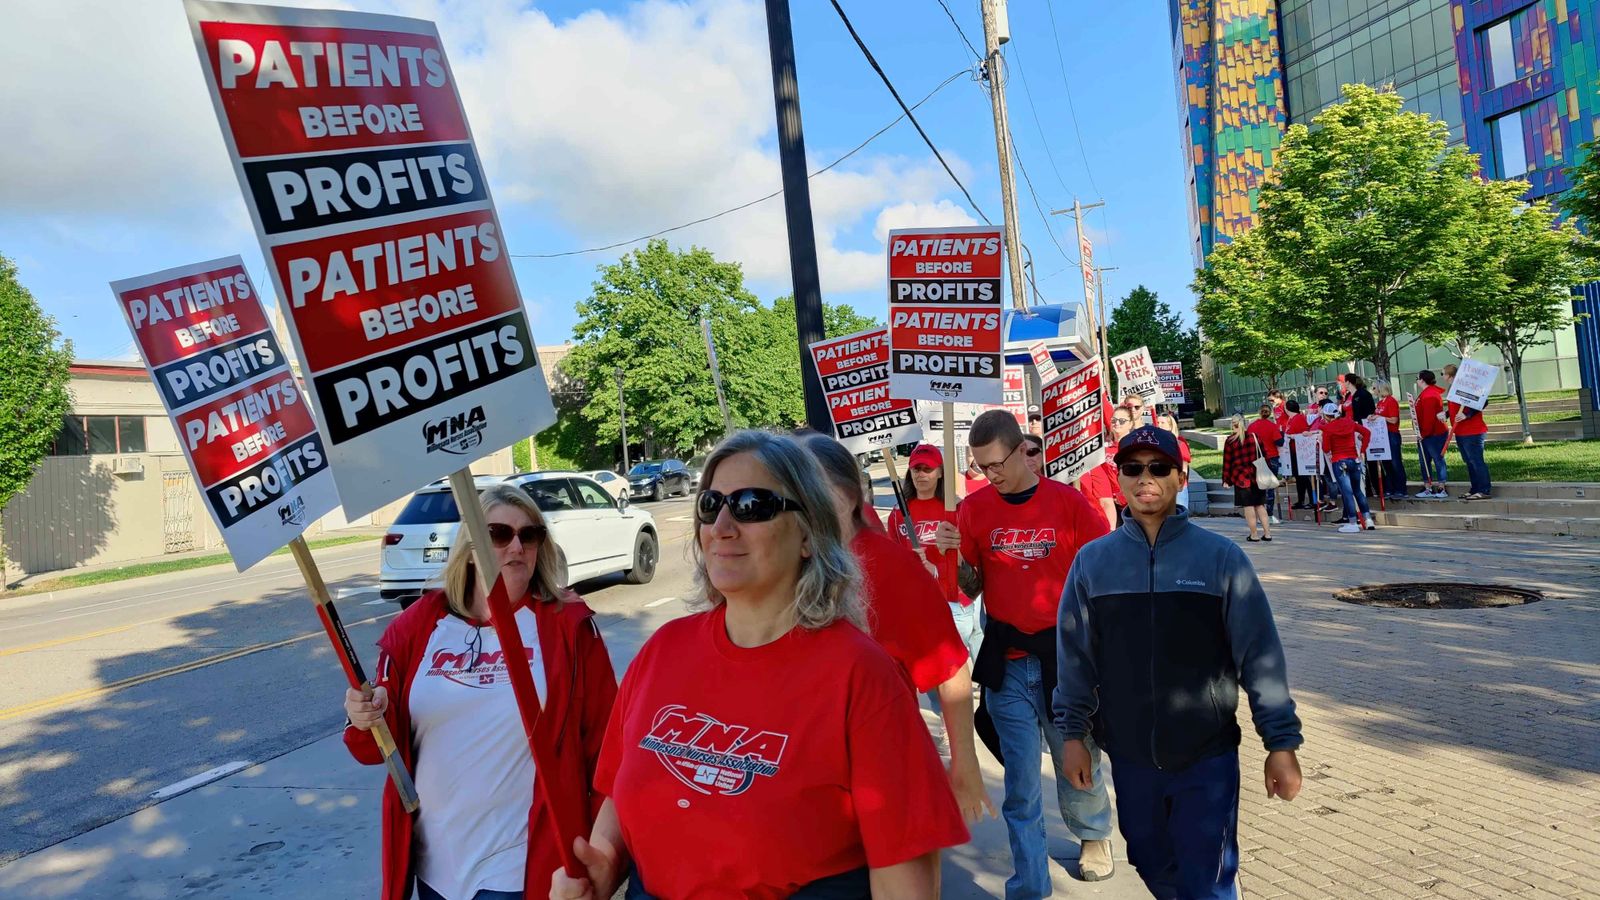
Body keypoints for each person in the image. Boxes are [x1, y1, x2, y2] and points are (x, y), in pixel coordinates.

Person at [553, 431, 968, 899]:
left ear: (809, 533)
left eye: (752, 505)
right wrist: (605, 862)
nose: (723, 525)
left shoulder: (862, 677)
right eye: (711, 505)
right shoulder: (662, 651)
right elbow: (619, 787)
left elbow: (905, 883)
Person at [1054, 424, 1304, 900]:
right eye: (1133, 468)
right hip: (1129, 756)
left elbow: (1261, 657)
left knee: (1208, 882)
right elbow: (1075, 660)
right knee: (1150, 863)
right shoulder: (1092, 563)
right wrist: (1073, 736)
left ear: (1180, 475)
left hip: (1205, 758)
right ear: (1119, 477)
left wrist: (1281, 743)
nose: (1146, 478)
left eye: (1159, 467)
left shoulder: (1222, 558)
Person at [344, 483, 618, 900]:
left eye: (530, 535)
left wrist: (602, 856)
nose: (516, 547)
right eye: (498, 534)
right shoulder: (418, 627)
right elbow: (375, 748)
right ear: (468, 547)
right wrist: (366, 717)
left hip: (520, 867)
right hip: (436, 865)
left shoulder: (568, 627)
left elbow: (608, 751)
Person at [935, 410, 1116, 893]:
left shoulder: (1070, 503)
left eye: (996, 463)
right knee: (1020, 785)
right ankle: (1030, 885)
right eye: (980, 466)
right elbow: (966, 590)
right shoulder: (974, 511)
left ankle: (1094, 835)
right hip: (1008, 661)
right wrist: (949, 553)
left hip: (1066, 660)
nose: (989, 474)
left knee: (1075, 764)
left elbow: (1105, 570)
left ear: (1022, 451)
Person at [798, 431, 995, 824]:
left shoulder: (886, 564)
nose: (802, 502)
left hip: (875, 775)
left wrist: (966, 765)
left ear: (849, 495)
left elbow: (950, 666)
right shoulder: (768, 560)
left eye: (813, 487)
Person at [888, 444, 981, 659]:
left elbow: (971, 559)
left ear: (940, 472)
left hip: (954, 599)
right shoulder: (898, 513)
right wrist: (908, 563)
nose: (920, 474)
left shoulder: (957, 509)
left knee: (952, 668)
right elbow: (892, 558)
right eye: (916, 469)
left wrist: (937, 568)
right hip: (918, 601)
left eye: (927, 469)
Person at [1314, 402, 1376, 533]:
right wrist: (1363, 450)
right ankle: (1368, 519)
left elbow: (1326, 448)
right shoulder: (1349, 423)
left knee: (1347, 493)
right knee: (1358, 491)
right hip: (1354, 460)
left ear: (1326, 416)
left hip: (1339, 461)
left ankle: (1352, 522)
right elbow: (1367, 433)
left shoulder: (1328, 428)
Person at [1079, 404, 1135, 529]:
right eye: (1114, 420)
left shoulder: (1136, 448)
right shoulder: (1103, 450)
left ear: (1130, 424)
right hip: (1111, 503)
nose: (1117, 423)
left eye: (1122, 420)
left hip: (1133, 503)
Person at [1442, 364, 1492, 500]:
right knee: (1469, 461)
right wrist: (1446, 414)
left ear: (1449, 375)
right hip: (1460, 431)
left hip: (1473, 430)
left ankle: (1484, 489)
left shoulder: (1467, 386)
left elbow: (1483, 401)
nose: (1442, 377)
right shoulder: (1453, 388)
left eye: (1443, 374)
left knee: (1476, 460)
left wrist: (1467, 415)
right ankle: (1475, 488)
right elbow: (1456, 407)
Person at [1222, 415, 1272, 542]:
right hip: (1257, 476)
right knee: (1260, 506)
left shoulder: (1230, 441)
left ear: (1232, 424)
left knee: (1248, 507)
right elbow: (1265, 455)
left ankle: (1254, 535)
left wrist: (1226, 480)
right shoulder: (1254, 437)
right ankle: (1267, 534)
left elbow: (1227, 462)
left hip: (1241, 477)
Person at [1413, 370, 1450, 498]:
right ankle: (1428, 487)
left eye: (1417, 378)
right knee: (1424, 460)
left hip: (1434, 433)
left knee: (1437, 459)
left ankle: (1441, 487)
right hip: (1425, 433)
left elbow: (1429, 418)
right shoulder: (1426, 393)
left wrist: (1423, 433)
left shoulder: (1430, 395)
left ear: (1422, 380)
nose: (1416, 380)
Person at [1245, 404, 1283, 522]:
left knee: (1256, 487)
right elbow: (1279, 442)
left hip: (1256, 459)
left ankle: (1257, 514)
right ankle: (1269, 515)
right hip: (1271, 458)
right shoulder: (1272, 426)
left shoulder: (1251, 426)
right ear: (1270, 413)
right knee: (1269, 487)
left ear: (1259, 412)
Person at [1373, 381, 1408, 500]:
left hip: (1391, 434)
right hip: (1382, 435)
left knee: (1395, 462)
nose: (1373, 390)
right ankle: (1391, 487)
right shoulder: (1379, 403)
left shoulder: (1391, 401)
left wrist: (1381, 417)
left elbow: (1393, 419)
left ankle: (1401, 488)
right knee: (1386, 463)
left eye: (1374, 388)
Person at [1282, 400, 1315, 510]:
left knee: (1305, 477)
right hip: (1292, 451)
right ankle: (1300, 500)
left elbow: (1304, 434)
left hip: (1300, 452)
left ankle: (1312, 500)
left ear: (1287, 409)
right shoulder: (1291, 419)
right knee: (1298, 477)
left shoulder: (1299, 418)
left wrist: (1292, 436)